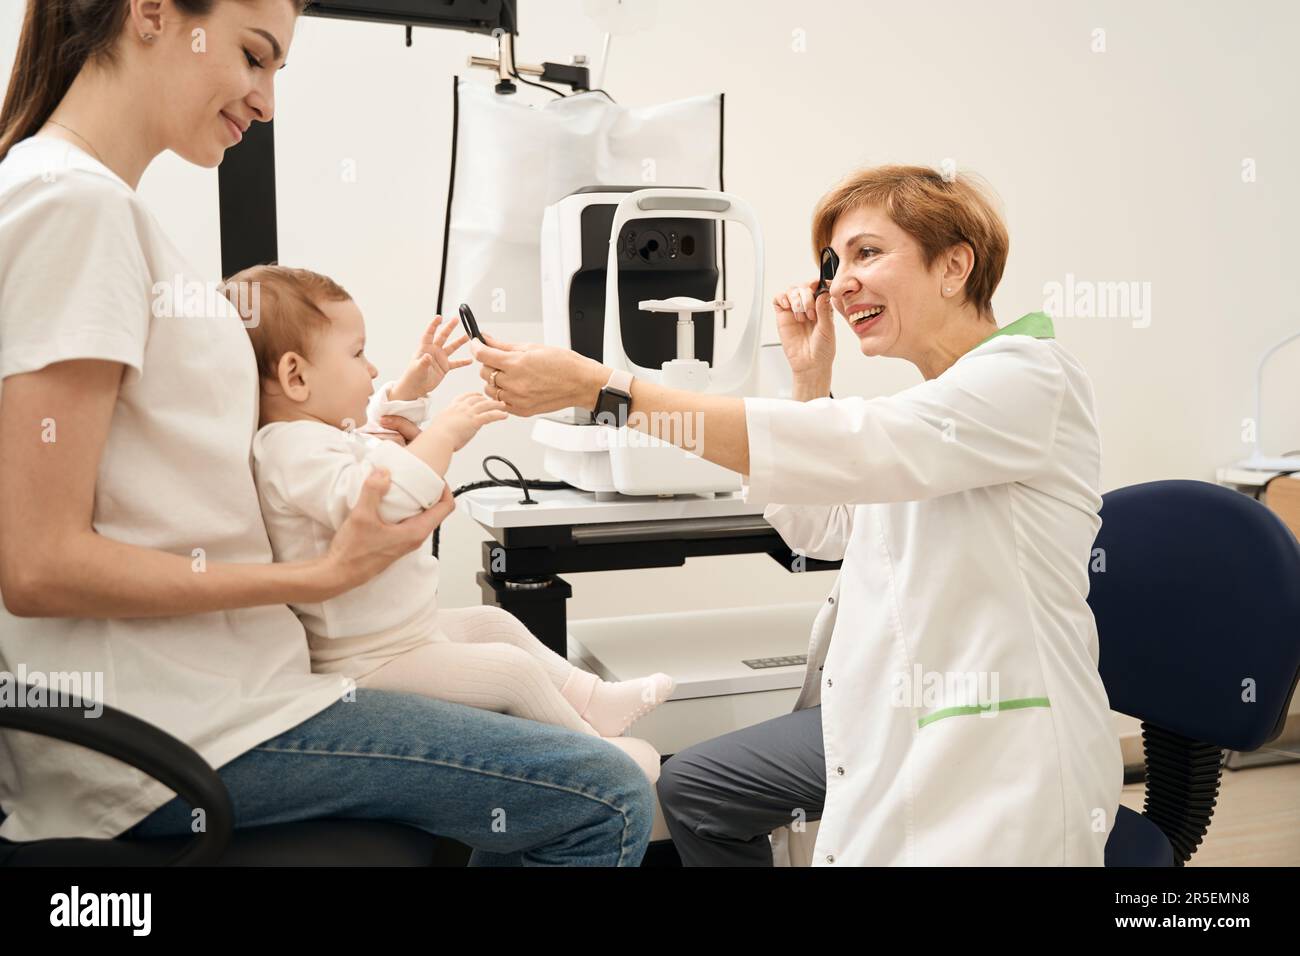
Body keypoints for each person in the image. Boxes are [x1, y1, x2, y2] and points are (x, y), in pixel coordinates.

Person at [0, 0, 653, 865]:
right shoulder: (72, 208)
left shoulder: (93, 207)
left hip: (231, 700)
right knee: (602, 798)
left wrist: (387, 422)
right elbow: (39, 564)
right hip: (178, 738)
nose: (266, 100)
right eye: (252, 55)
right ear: (152, 13)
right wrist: (321, 572)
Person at [468, 164, 1125, 865]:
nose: (841, 282)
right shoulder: (934, 410)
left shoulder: (1026, 378)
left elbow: (859, 445)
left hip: (996, 744)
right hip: (890, 709)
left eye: (868, 253)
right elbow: (826, 527)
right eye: (835, 262)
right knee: (696, 788)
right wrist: (810, 378)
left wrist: (608, 389)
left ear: (954, 266)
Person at [236, 264, 673, 772]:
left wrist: (410, 391)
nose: (372, 369)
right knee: (510, 672)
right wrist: (445, 432)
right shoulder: (290, 449)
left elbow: (376, 438)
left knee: (495, 623)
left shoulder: (319, 434)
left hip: (404, 634)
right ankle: (597, 760)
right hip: (369, 659)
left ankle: (594, 699)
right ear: (296, 376)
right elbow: (382, 497)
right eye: (357, 354)